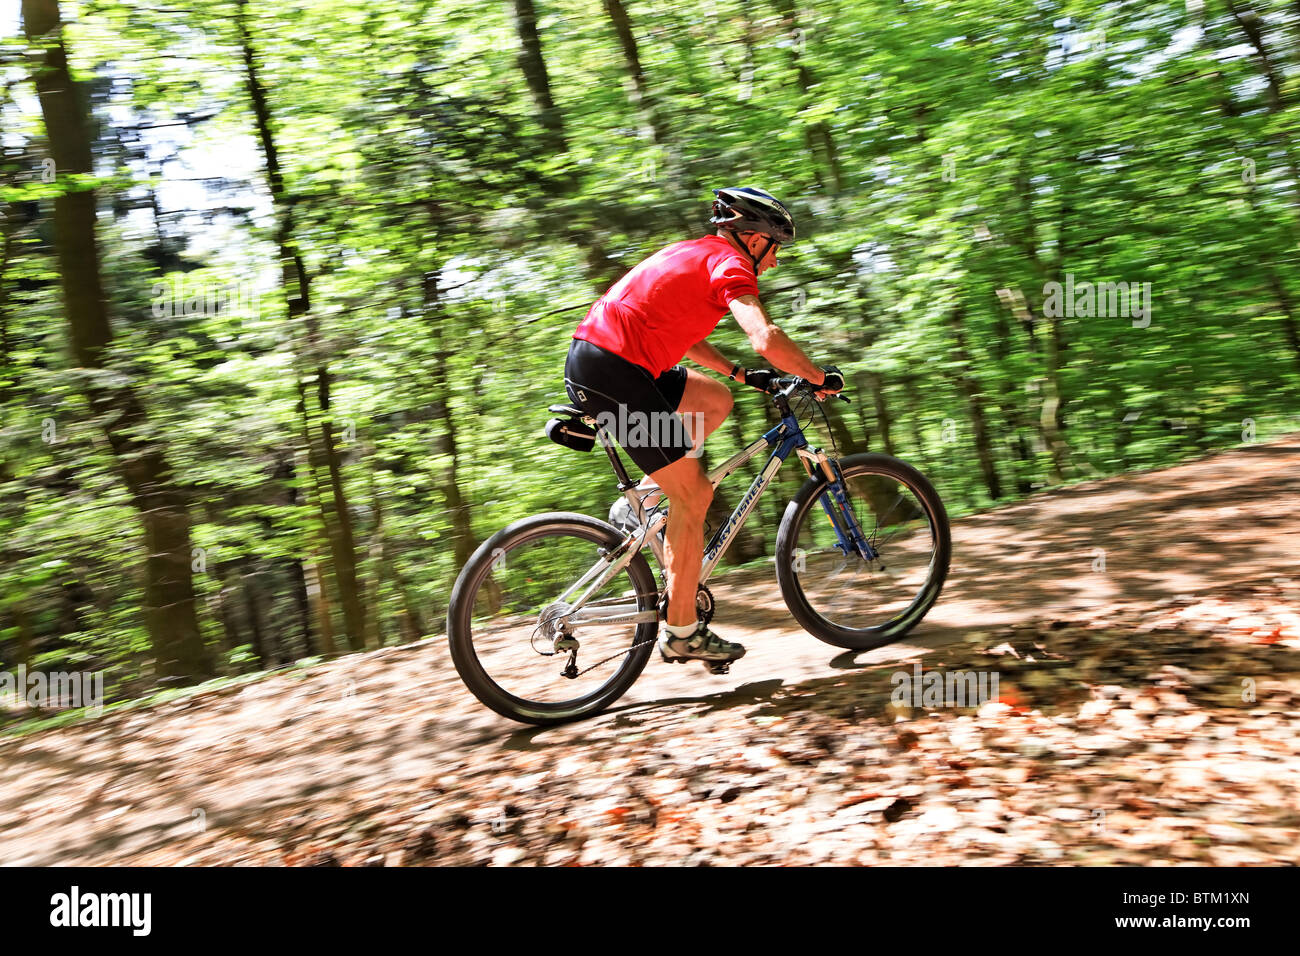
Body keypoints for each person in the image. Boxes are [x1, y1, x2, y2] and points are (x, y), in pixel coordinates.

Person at [563, 186, 843, 667]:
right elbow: (765, 336)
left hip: (613, 363)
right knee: (694, 494)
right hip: (616, 372)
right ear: (754, 240)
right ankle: (682, 631)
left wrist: (739, 375)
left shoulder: (694, 255)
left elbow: (686, 340)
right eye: (774, 250)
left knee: (714, 398)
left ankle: (646, 501)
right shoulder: (729, 265)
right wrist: (818, 377)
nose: (774, 264)